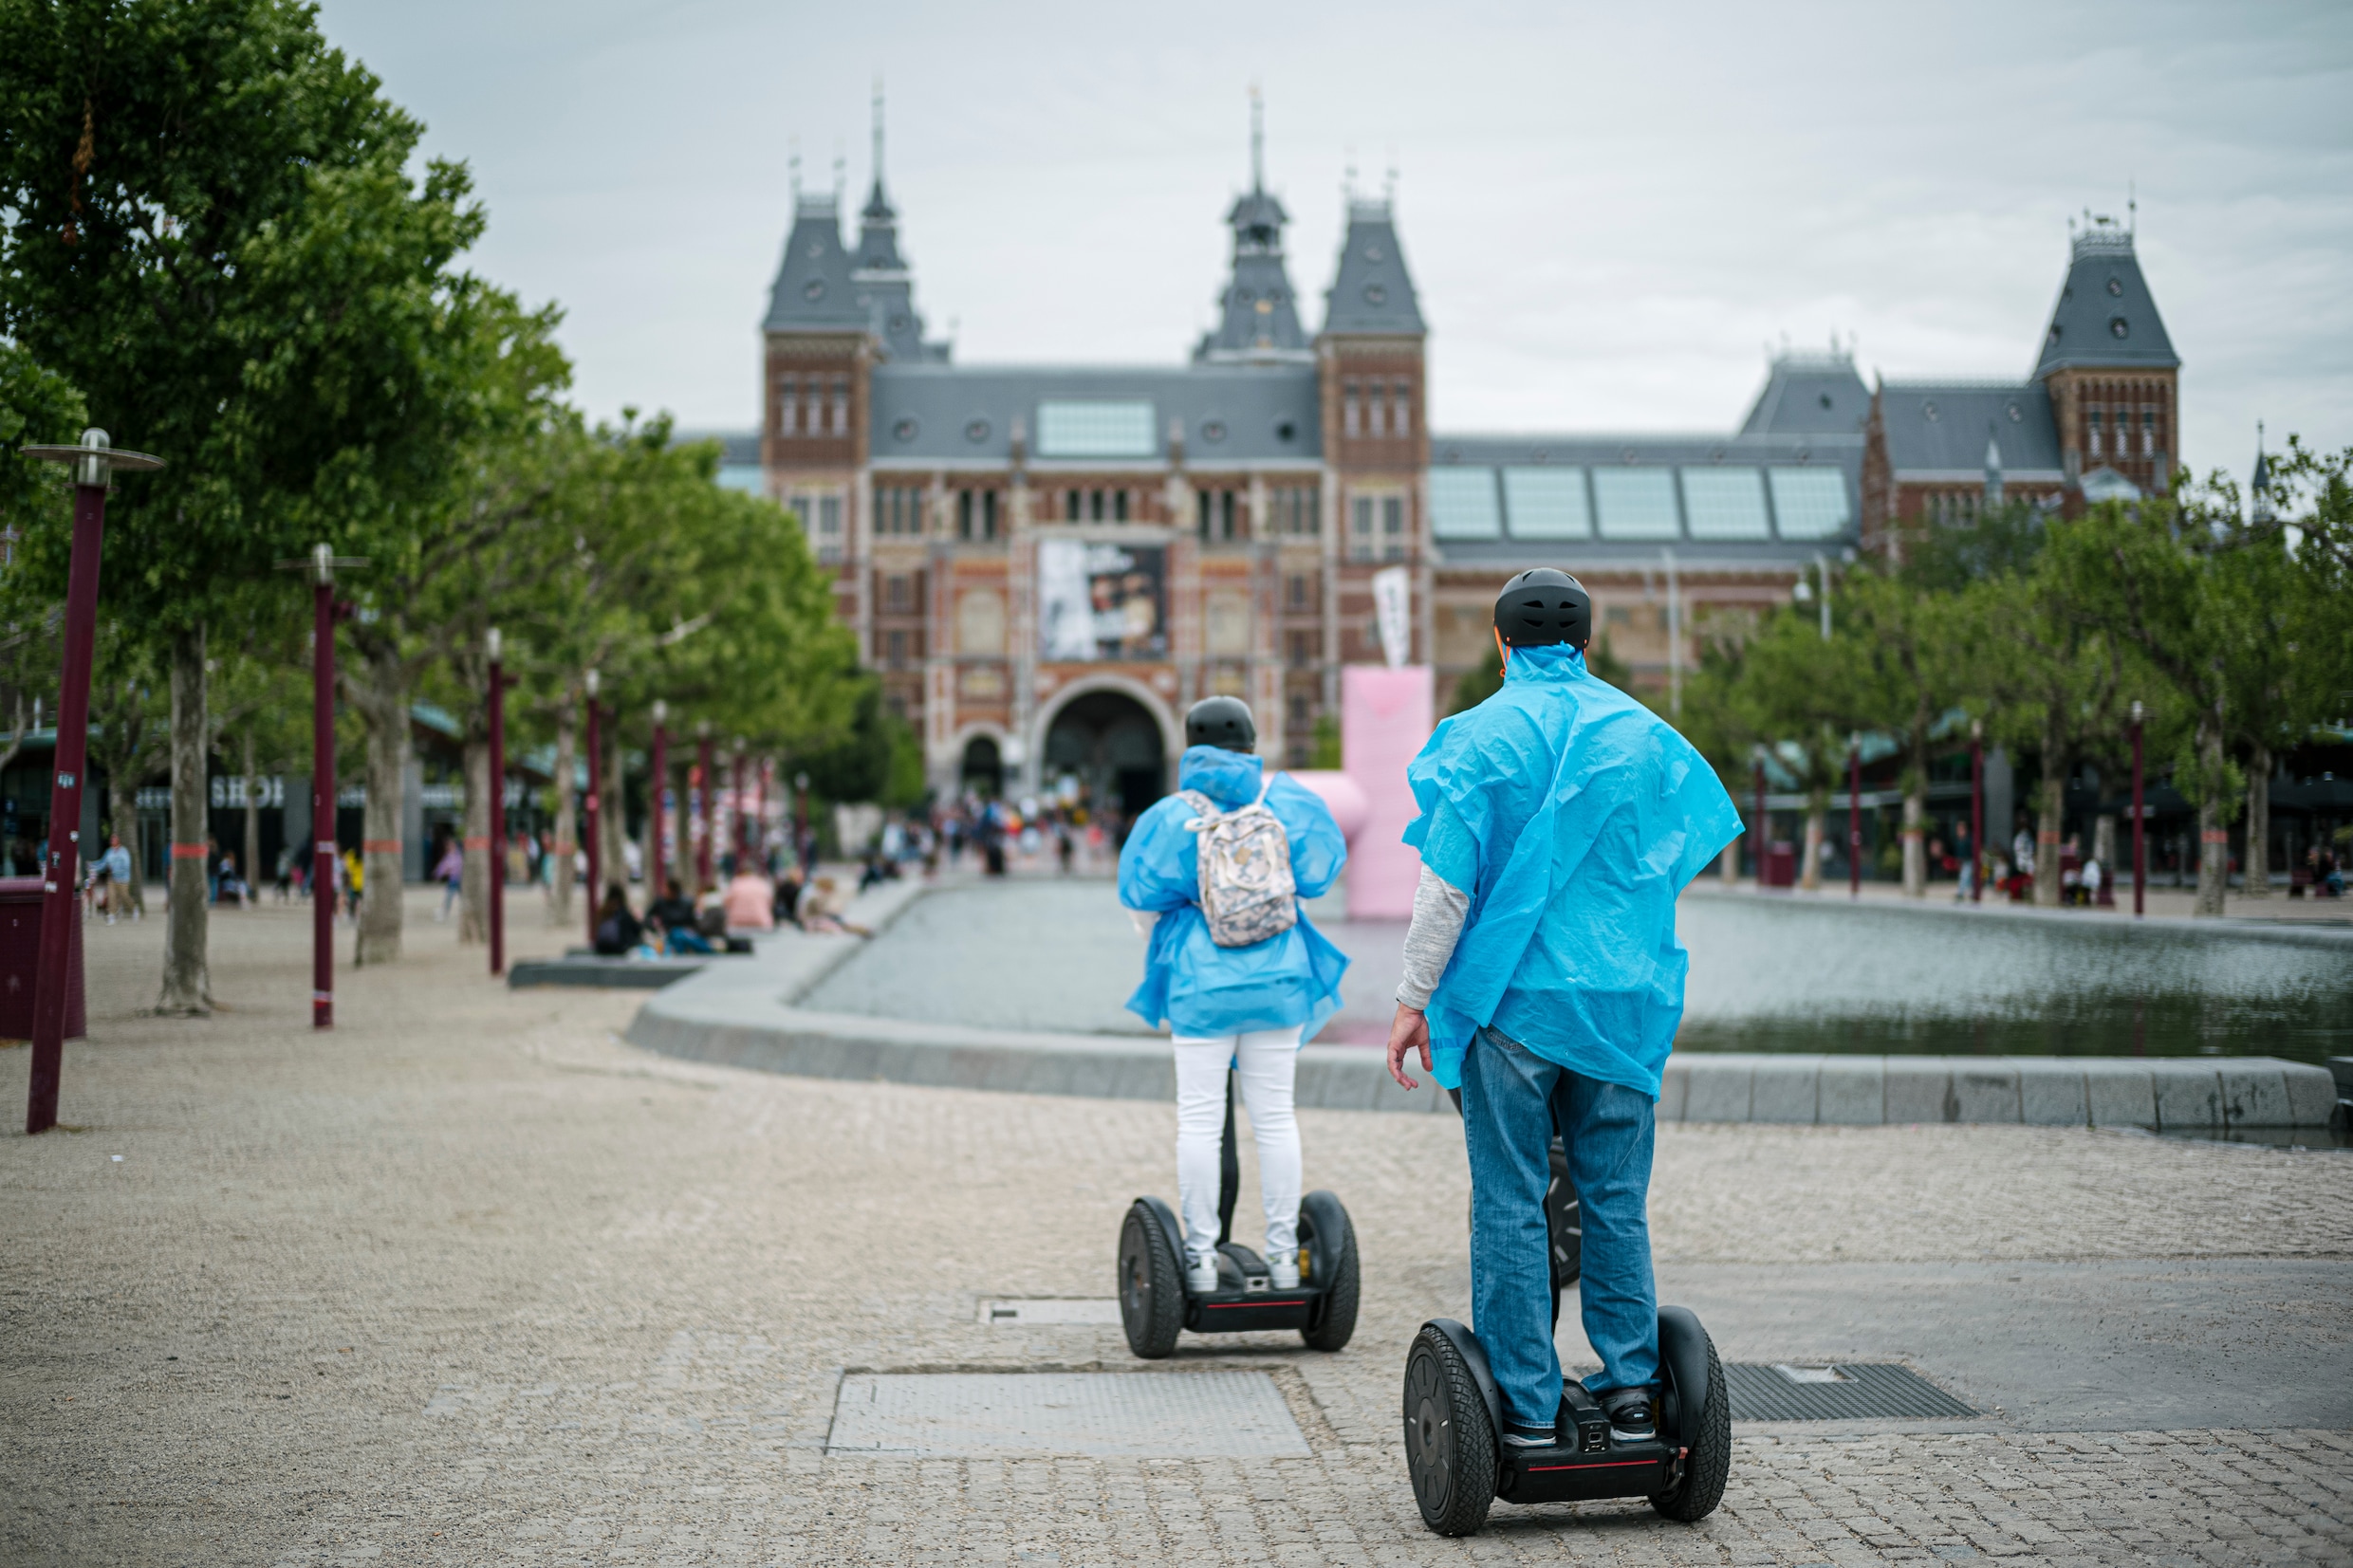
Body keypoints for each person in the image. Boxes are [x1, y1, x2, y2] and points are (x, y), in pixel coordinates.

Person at [1384, 568, 1739, 1451]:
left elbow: (1444, 892)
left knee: (1510, 1196)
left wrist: (1411, 1001)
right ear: (1589, 639)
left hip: (1512, 1004)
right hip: (1621, 1000)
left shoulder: (1475, 738)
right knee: (1616, 1197)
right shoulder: (1645, 735)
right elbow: (1664, 859)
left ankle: (1530, 1407)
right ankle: (1630, 1390)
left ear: (1501, 642)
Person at [1119, 695, 1348, 1296]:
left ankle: (1196, 1259)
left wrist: (1167, 941)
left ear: (1191, 748)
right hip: (1280, 980)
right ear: (1250, 745)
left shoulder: (1169, 816)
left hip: (1201, 983)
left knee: (1198, 1119)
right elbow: (1320, 876)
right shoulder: (1286, 803)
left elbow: (1139, 900)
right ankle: (1279, 1258)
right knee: (1275, 1118)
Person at [646, 878, 711, 955]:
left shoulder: (687, 902)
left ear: (673, 890)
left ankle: (707, 951)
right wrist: (654, 927)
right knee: (676, 935)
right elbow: (648, 916)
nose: (663, 891)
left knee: (681, 935)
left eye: (666, 889)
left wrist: (691, 929)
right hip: (667, 934)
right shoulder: (661, 902)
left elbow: (694, 921)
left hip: (684, 932)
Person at [722, 864, 776, 932]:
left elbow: (726, 903)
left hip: (737, 921)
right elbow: (770, 903)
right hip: (761, 921)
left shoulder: (736, 883)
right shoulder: (762, 884)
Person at [591, 884, 641, 956]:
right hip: (616, 949)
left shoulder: (602, 911)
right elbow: (637, 929)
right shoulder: (623, 913)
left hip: (603, 948)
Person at [434, 838, 465, 922]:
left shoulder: (458, 855)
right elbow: (443, 867)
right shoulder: (448, 857)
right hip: (453, 880)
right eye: (448, 845)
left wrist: (449, 870)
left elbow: (459, 867)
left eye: (451, 845)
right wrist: (438, 874)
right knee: (448, 898)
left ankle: (465, 914)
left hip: (459, 880)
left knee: (463, 898)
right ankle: (444, 913)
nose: (449, 847)